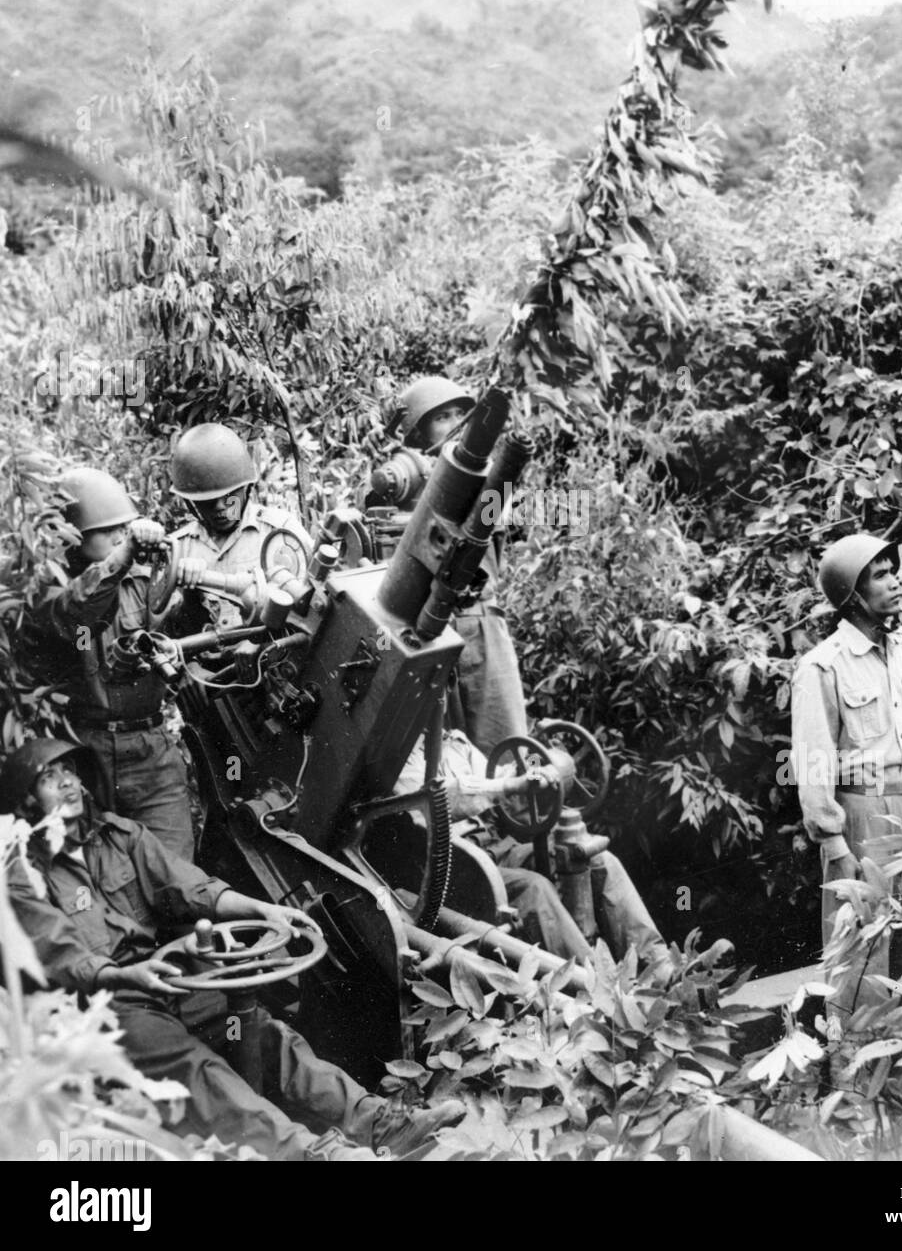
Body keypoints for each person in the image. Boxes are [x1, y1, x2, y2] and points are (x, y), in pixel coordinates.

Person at [1, 738, 462, 1161]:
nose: (67, 783)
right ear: (25, 799)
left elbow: (193, 889)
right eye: (49, 777)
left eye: (69, 771)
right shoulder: (21, 876)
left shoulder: (121, 837)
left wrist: (267, 912)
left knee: (258, 1033)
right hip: (107, 1006)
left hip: (170, 978)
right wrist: (128, 977)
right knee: (201, 1072)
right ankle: (311, 1154)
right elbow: (67, 958)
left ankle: (379, 1124)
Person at [790, 533, 902, 1021]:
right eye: (880, 575)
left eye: (892, 571)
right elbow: (813, 764)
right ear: (852, 595)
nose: (894, 583)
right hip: (863, 821)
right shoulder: (822, 667)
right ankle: (854, 1078)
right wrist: (835, 846)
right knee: (862, 956)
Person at [396, 730, 671, 975]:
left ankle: (661, 968)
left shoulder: (456, 742)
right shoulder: (400, 761)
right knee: (534, 888)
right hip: (454, 865)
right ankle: (600, 991)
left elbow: (505, 778)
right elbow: (430, 807)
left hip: (495, 847)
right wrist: (510, 785)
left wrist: (535, 761)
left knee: (596, 859)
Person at [25, 467, 195, 860]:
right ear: (73, 537)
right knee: (101, 877)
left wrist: (189, 586)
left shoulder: (143, 581)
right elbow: (76, 611)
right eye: (109, 530)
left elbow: (180, 637)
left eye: (125, 527)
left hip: (150, 751)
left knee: (177, 875)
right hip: (86, 754)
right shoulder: (47, 589)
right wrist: (123, 556)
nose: (121, 536)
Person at [386, 378, 527, 754]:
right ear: (418, 432)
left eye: (460, 415)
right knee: (442, 760)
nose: (453, 424)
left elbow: (532, 515)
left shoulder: (490, 483)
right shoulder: (398, 484)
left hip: (480, 626)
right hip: (422, 633)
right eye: (441, 417)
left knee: (507, 745)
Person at [169, 423, 312, 629]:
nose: (220, 507)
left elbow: (313, 606)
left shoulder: (279, 532)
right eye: (208, 501)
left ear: (246, 489)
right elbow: (171, 629)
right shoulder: (180, 548)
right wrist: (189, 593)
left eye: (229, 497)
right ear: (191, 503)